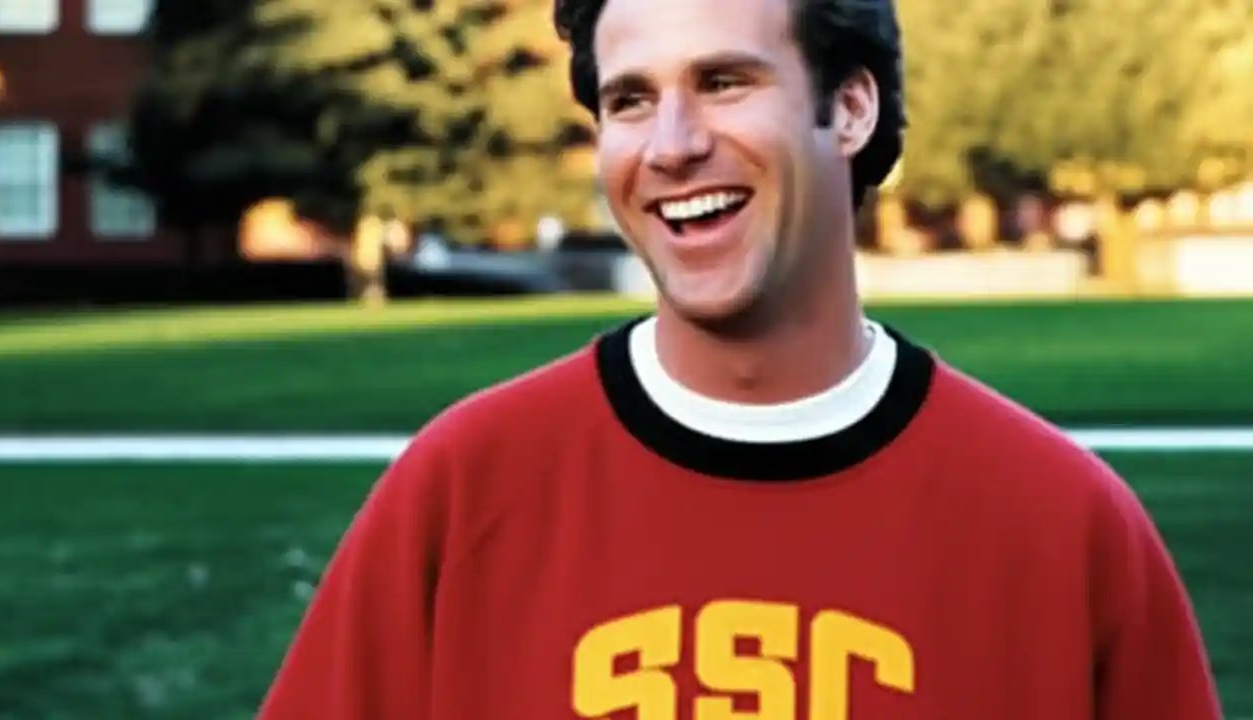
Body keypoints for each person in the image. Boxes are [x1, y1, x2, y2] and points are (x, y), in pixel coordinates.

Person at [258, 0, 1222, 716]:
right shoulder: (466, 490)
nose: (671, 146)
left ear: (848, 109)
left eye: (724, 82)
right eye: (629, 100)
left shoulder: (1061, 525)